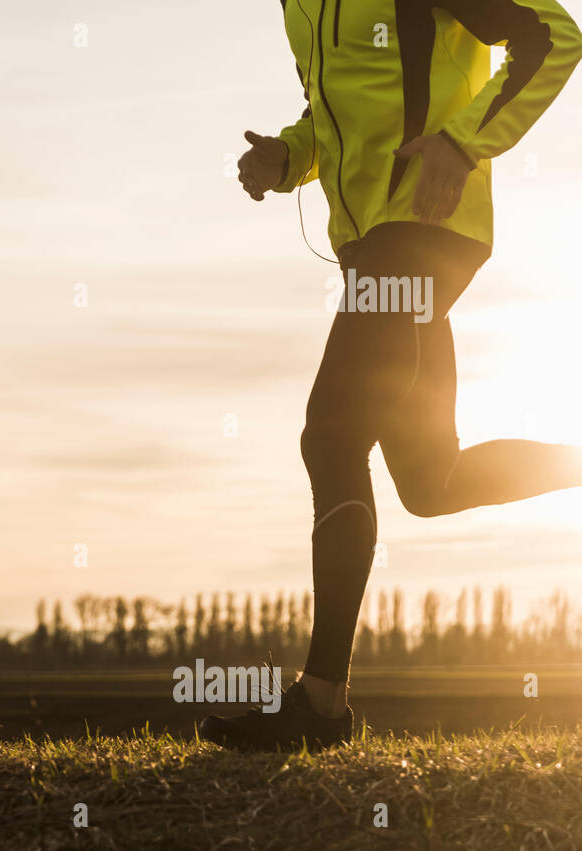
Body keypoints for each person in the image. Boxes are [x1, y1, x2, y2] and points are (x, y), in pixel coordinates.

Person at [201, 0, 582, 750]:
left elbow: (554, 36)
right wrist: (289, 156)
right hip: (372, 244)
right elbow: (337, 116)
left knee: (331, 437)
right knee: (430, 482)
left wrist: (463, 143)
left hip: (423, 227)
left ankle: (320, 703)